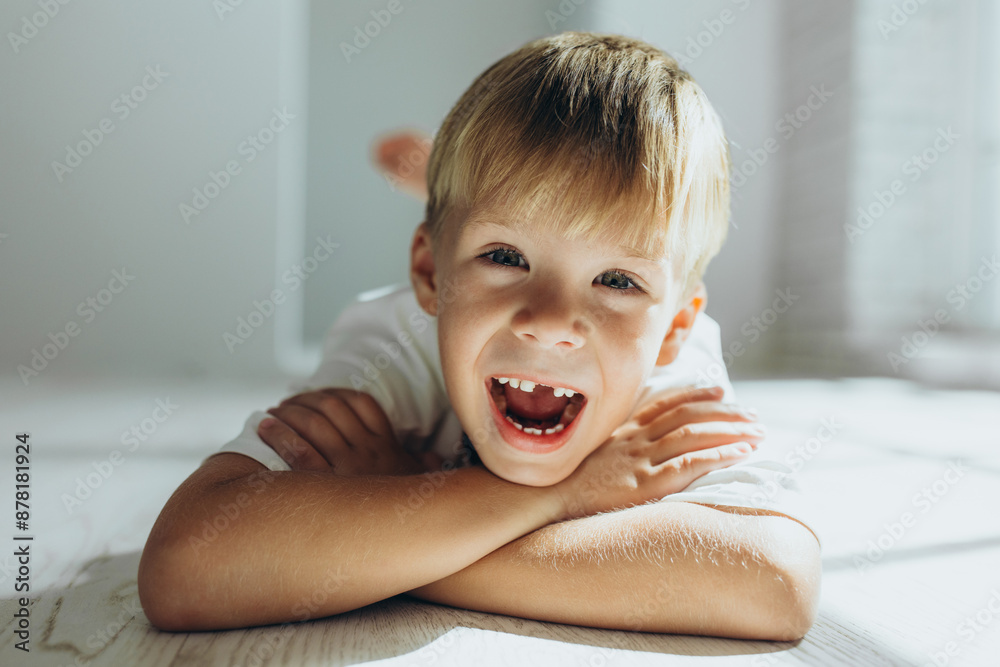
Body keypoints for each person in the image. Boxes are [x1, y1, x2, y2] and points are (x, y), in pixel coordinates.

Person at [138, 31, 821, 640]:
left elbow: (775, 583)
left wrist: (397, 521)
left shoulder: (670, 374)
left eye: (617, 279)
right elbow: (184, 566)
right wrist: (562, 496)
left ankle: (456, 197)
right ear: (428, 274)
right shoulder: (391, 341)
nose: (549, 323)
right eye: (505, 256)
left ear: (675, 326)